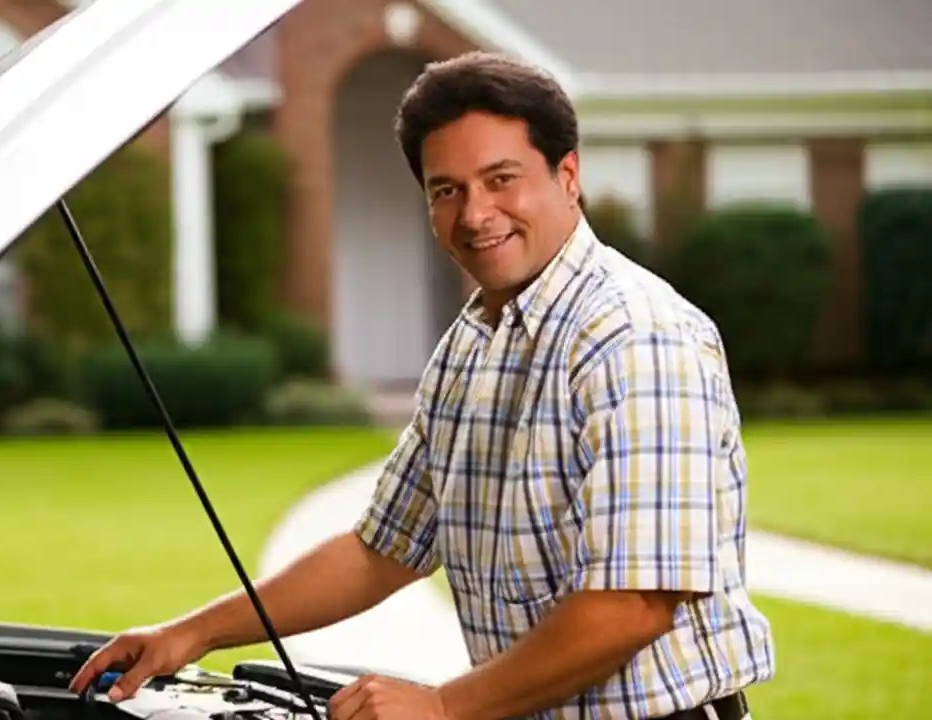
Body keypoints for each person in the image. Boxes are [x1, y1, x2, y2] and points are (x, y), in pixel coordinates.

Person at [70, 50, 775, 719]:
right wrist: (191, 633)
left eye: (502, 179)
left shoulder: (633, 336)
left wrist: (443, 707)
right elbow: (381, 549)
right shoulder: (471, 344)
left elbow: (632, 604)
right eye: (447, 190)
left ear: (568, 175)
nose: (474, 214)